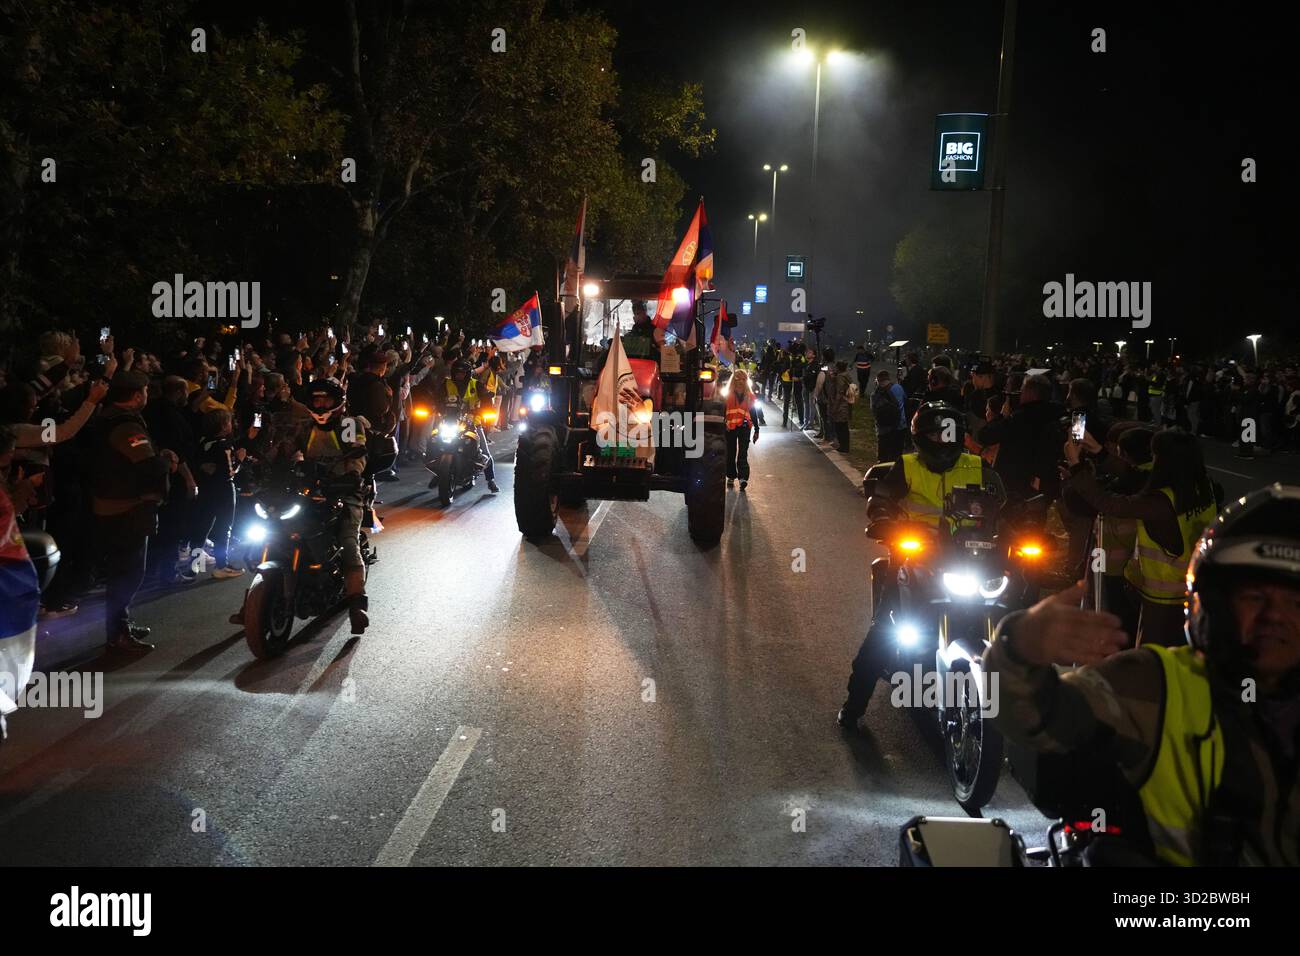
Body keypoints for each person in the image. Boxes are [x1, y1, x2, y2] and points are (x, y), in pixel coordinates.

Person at [985, 483, 1300, 866]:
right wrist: (1019, 647)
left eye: (1296, 603)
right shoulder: (1156, 682)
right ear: (1215, 605)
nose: (1275, 616)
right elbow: (1034, 720)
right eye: (1255, 597)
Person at [838, 403, 1005, 728]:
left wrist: (1026, 526)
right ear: (921, 436)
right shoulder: (907, 466)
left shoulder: (978, 467)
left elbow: (1003, 506)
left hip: (970, 560)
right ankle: (854, 706)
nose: (942, 440)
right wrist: (883, 517)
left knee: (1013, 617)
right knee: (883, 632)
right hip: (915, 558)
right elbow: (881, 499)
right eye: (935, 434)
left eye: (948, 434)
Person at [1063, 427, 1219, 646]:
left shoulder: (1161, 502)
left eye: (1155, 456)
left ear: (1165, 461)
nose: (1153, 461)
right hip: (1194, 586)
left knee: (1153, 653)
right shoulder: (1201, 487)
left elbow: (1110, 504)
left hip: (1164, 598)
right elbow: (1138, 477)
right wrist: (1099, 451)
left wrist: (1076, 466)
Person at [89, 370, 177, 651]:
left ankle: (120, 625)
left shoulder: (106, 418)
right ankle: (117, 634)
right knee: (128, 574)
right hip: (126, 508)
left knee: (123, 571)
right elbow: (146, 465)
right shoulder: (126, 427)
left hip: (110, 504)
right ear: (137, 395)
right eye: (146, 391)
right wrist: (165, 462)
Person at [435, 360, 499, 494]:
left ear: (468, 373)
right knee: (434, 440)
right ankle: (439, 473)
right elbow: (437, 398)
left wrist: (486, 406)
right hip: (450, 422)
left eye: (463, 373)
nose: (460, 375)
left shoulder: (476, 384)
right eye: (457, 372)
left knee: (484, 451)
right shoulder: (446, 384)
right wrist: (435, 406)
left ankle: (491, 480)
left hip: (472, 423)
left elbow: (487, 398)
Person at [725, 369, 760, 490]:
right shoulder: (727, 395)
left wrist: (757, 430)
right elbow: (723, 411)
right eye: (737, 378)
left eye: (743, 379)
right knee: (731, 452)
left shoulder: (750, 396)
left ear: (746, 381)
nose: (740, 381)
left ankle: (743, 478)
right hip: (730, 427)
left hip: (745, 427)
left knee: (743, 453)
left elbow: (753, 413)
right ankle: (731, 475)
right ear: (733, 380)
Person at [870, 370, 907, 463]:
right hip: (900, 426)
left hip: (883, 429)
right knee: (897, 455)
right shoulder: (898, 388)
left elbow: (874, 411)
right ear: (888, 378)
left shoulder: (875, 394)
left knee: (883, 457)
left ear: (878, 381)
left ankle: (883, 470)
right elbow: (905, 401)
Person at [827, 359, 854, 453]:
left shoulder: (840, 377)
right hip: (846, 404)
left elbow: (839, 392)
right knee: (844, 426)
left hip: (841, 405)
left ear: (838, 368)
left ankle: (843, 446)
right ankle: (845, 445)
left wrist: (835, 406)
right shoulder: (846, 375)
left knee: (840, 426)